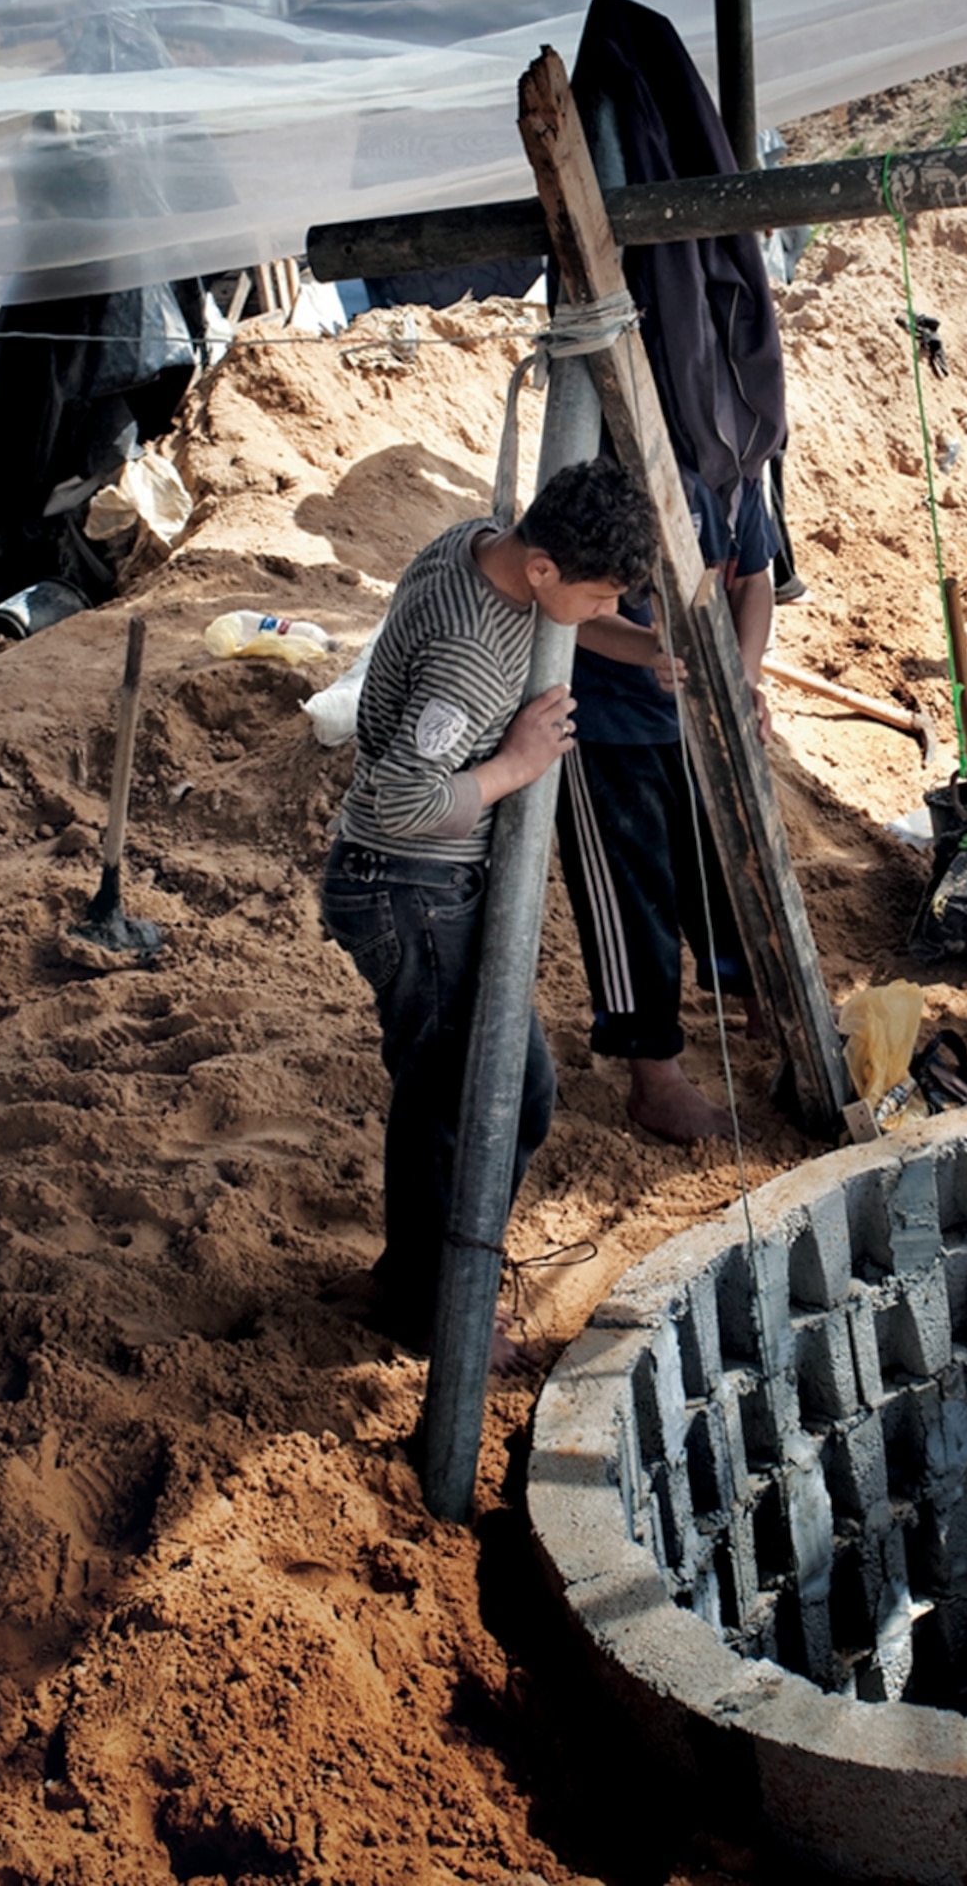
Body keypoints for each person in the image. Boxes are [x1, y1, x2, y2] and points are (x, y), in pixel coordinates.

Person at [318, 457, 656, 1351]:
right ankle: (441, 1307)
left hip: (422, 885)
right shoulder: (470, 657)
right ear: (544, 570)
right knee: (477, 1096)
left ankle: (410, 1280)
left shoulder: (479, 543)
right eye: (597, 597)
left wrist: (657, 652)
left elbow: (574, 624)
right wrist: (515, 765)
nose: (599, 615)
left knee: (458, 1090)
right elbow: (400, 798)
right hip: (408, 885)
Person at [555, 469, 779, 1142]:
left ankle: (763, 1004)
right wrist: (650, 648)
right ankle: (657, 1078)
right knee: (633, 902)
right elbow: (574, 607)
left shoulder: (738, 466)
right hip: (604, 720)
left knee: (726, 867)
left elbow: (754, 581)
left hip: (696, 709)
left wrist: (740, 676)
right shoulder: (609, 455)